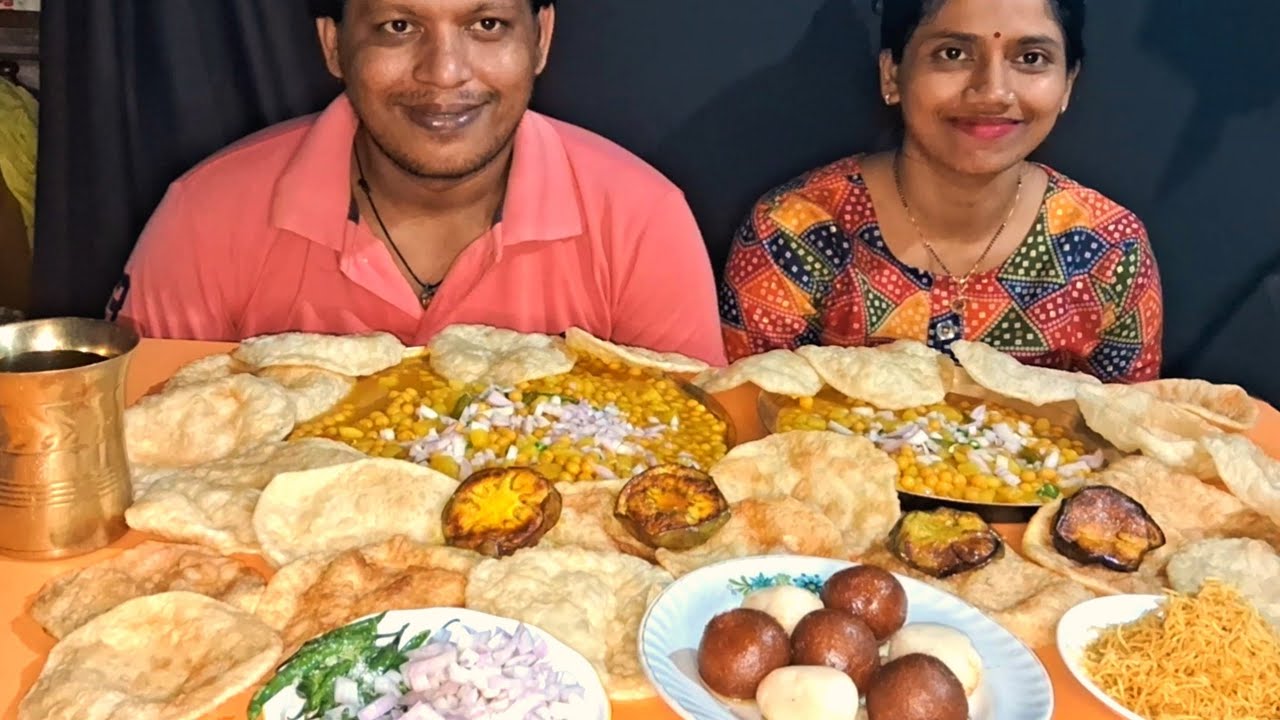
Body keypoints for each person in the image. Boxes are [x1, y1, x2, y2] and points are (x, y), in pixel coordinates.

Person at [111, 0, 726, 365]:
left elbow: (687, 463)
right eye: (399, 27)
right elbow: (138, 441)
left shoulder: (644, 218)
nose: (445, 74)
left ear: (540, 38)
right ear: (334, 45)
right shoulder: (206, 213)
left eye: (486, 25)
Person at [719, 0, 1162, 382]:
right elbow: (742, 417)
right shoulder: (796, 232)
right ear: (892, 75)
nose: (992, 91)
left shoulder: (1108, 248)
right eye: (953, 54)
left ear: (1067, 84)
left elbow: (1134, 442)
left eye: (1030, 58)